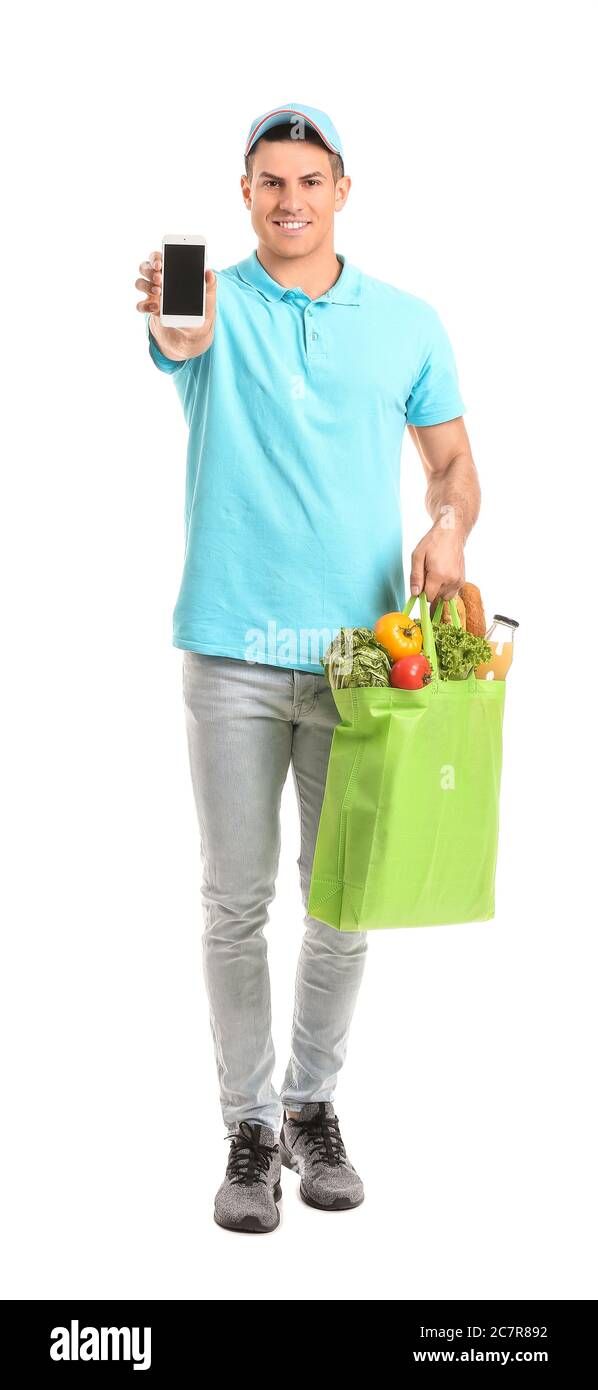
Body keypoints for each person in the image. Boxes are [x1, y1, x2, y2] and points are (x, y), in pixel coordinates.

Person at [135, 103, 480, 1234]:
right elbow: (178, 342)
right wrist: (173, 312)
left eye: (310, 180)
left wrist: (446, 527)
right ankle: (244, 1123)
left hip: (359, 662)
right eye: (270, 182)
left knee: (340, 905)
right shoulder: (210, 296)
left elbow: (451, 466)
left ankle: (310, 1105)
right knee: (235, 904)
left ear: (343, 190)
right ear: (245, 194)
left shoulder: (408, 322)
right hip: (231, 652)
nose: (290, 200)